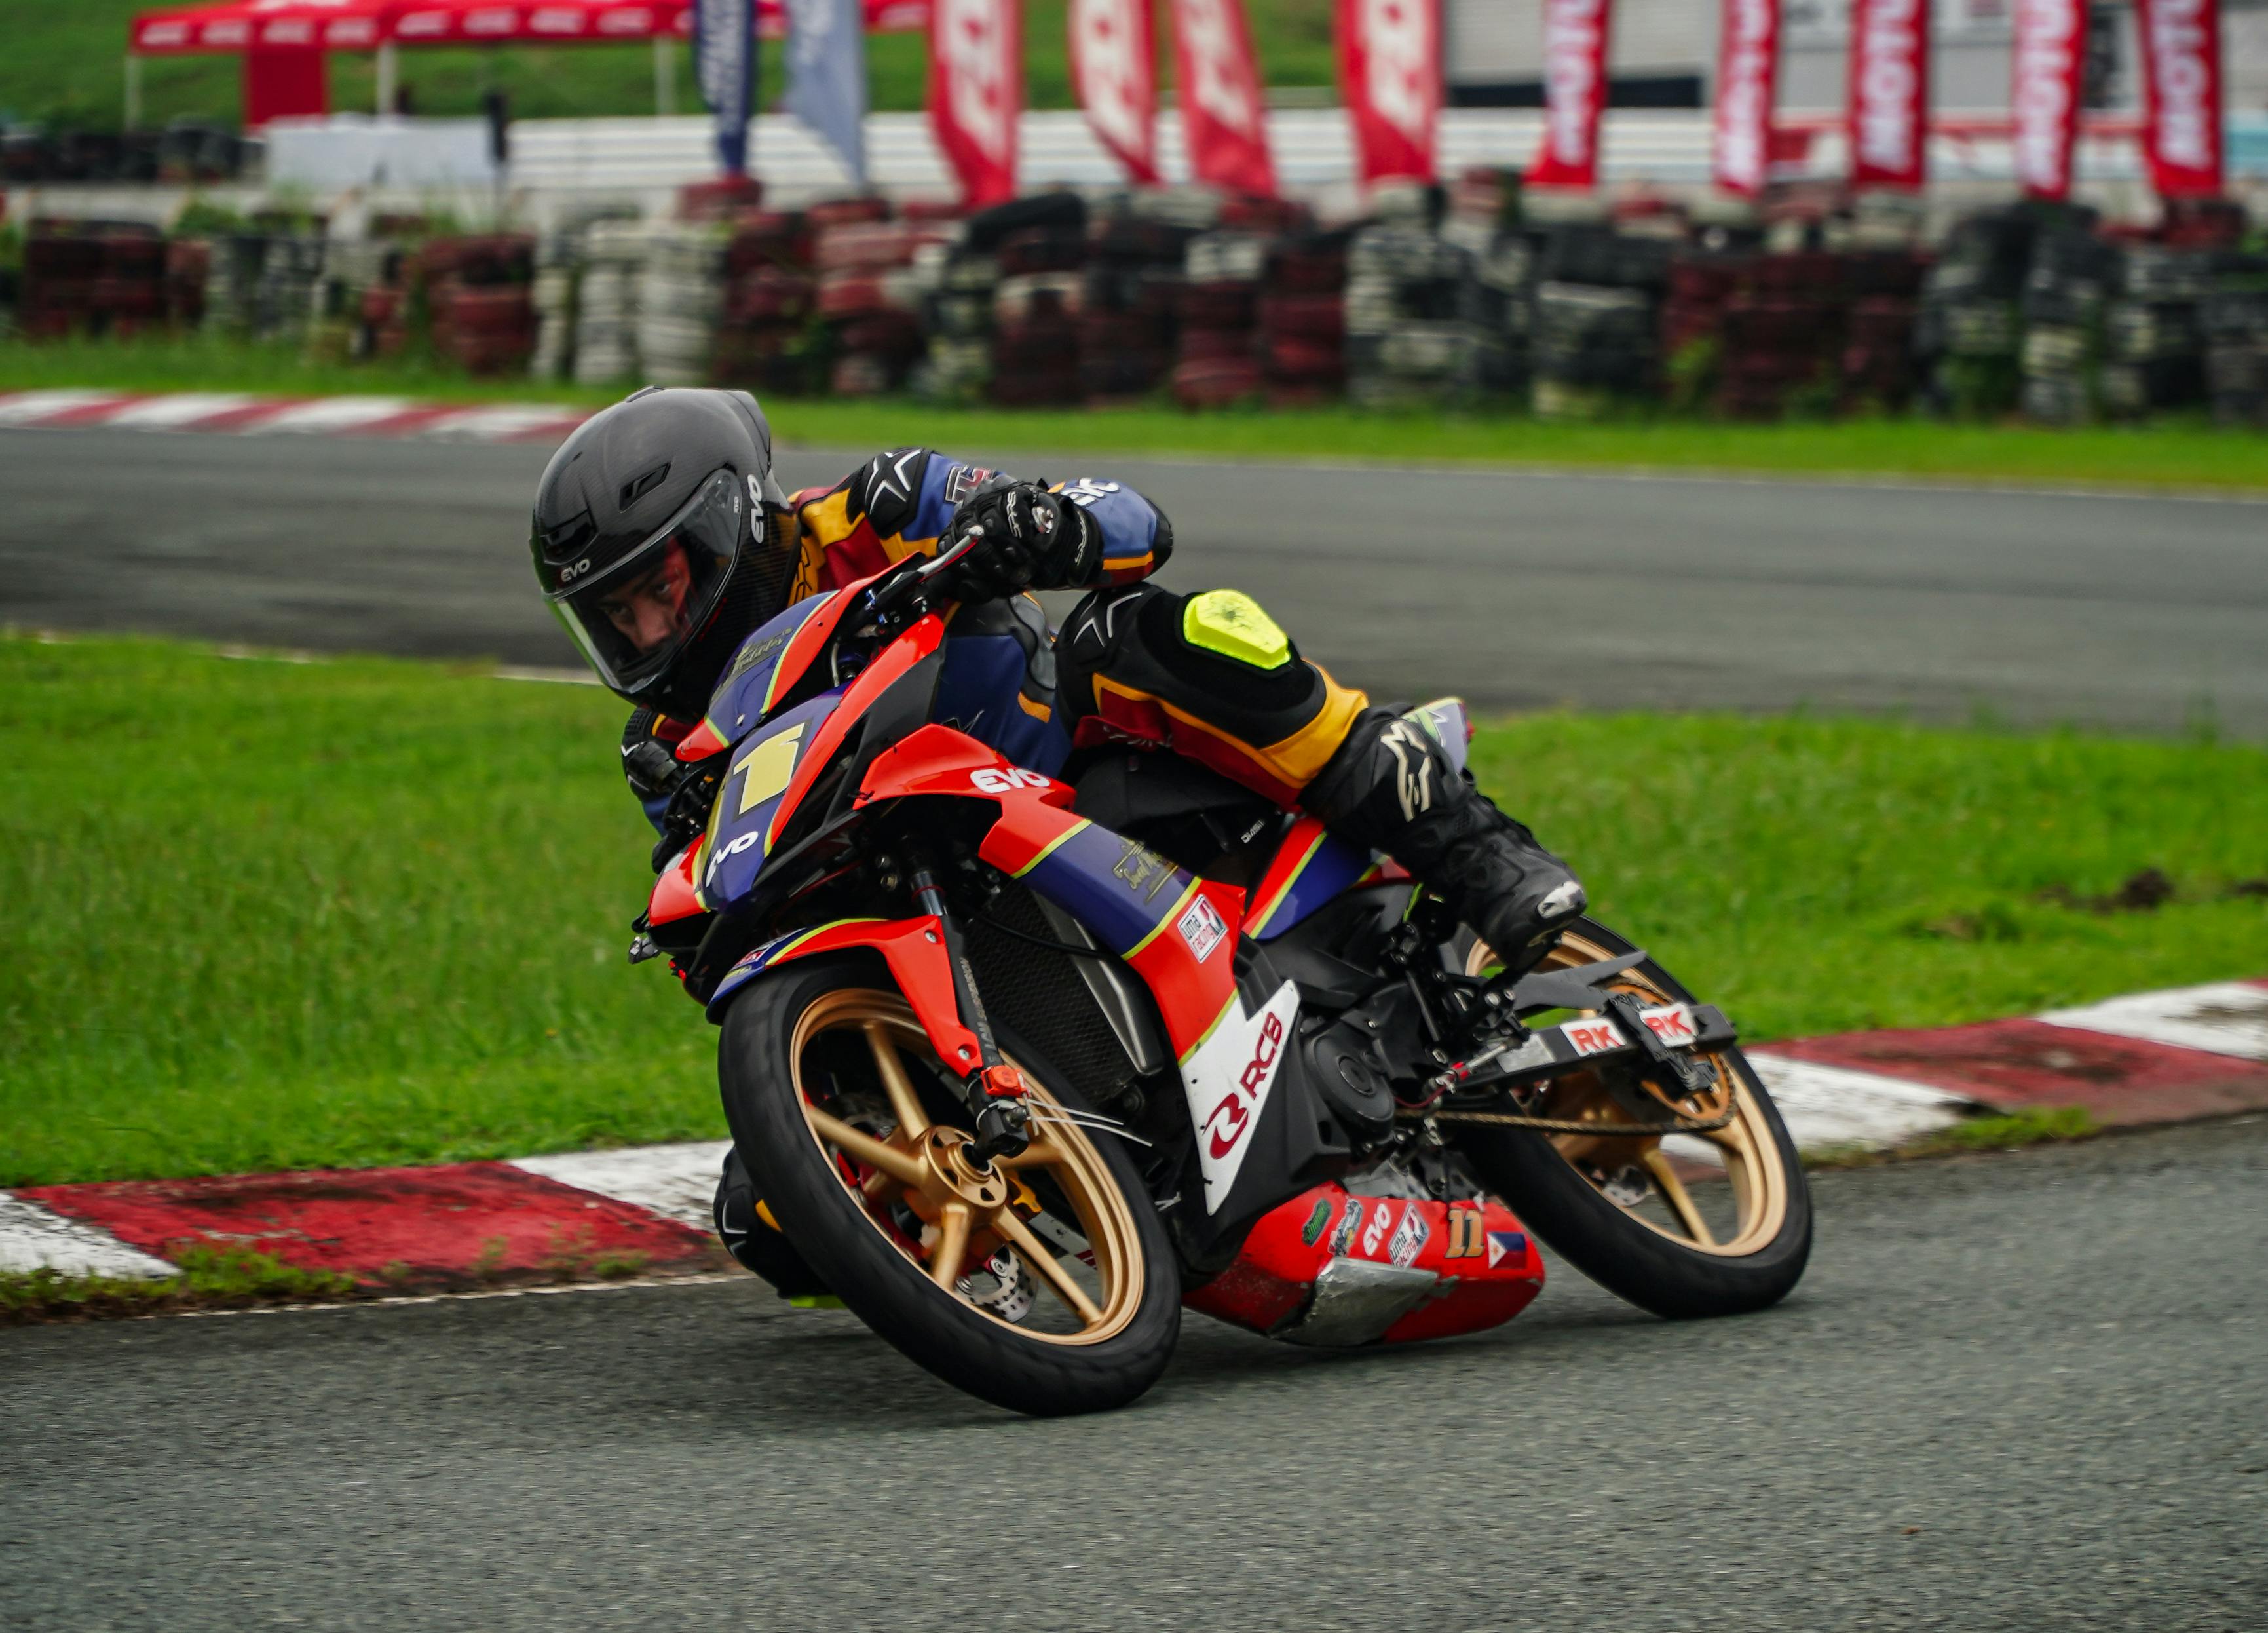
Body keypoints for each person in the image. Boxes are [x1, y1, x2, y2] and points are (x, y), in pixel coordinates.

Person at [531, 387, 1583, 1290]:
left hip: (1069, 760)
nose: (648, 635)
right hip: (921, 895)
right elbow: (723, 890)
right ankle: (1034, 1237)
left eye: (656, 592)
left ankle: (1469, 844)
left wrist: (1030, 523)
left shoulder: (871, 508)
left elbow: (1125, 517)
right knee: (763, 1215)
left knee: (1165, 627)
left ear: (726, 528)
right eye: (613, 619)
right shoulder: (669, 743)